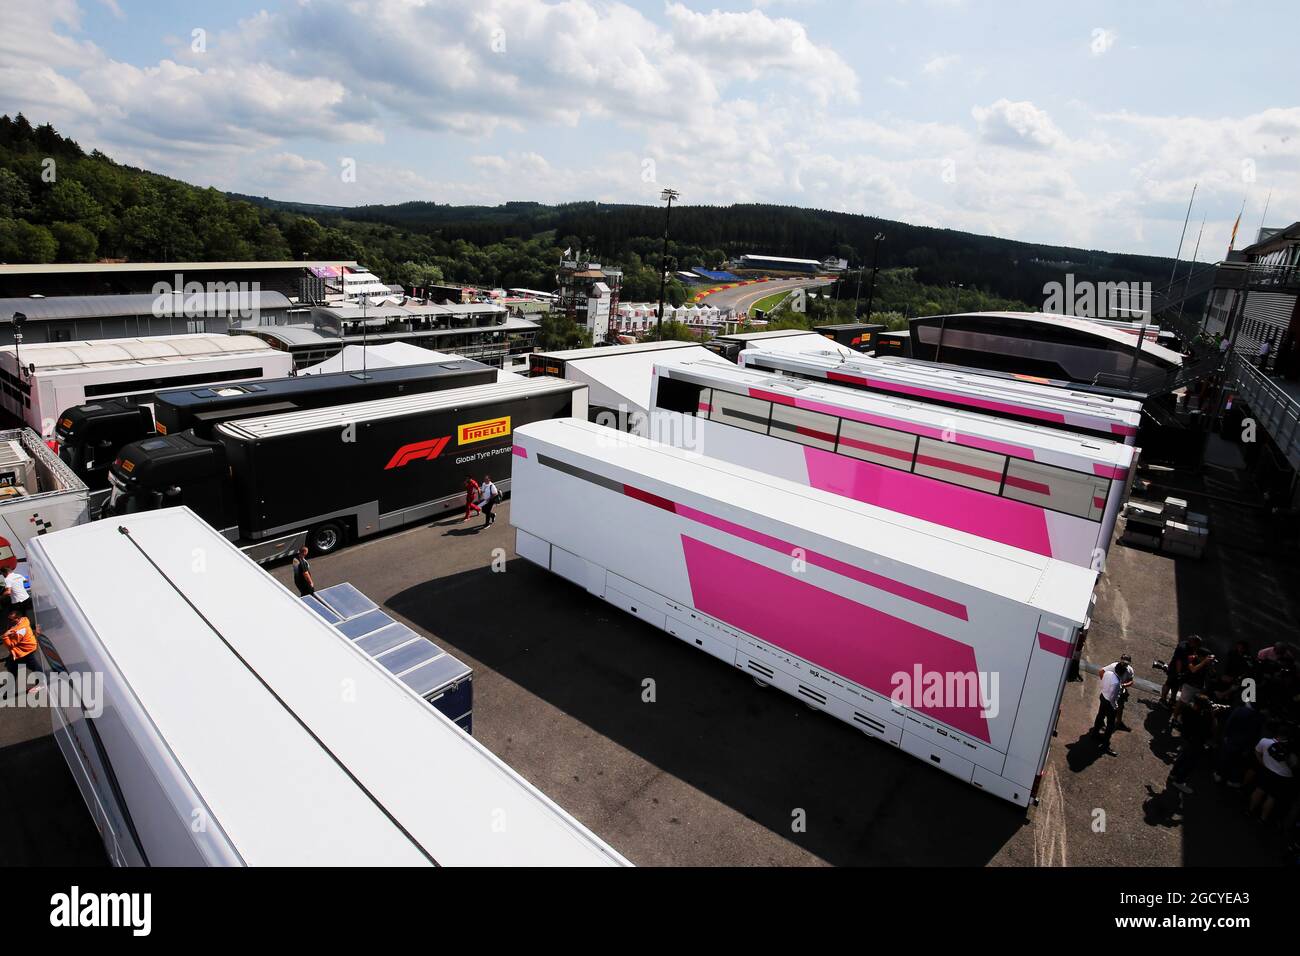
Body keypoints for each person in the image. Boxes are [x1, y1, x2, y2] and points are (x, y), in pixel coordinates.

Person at [1168, 693, 1212, 794]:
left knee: (1183, 756)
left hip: (1187, 737)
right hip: (1196, 741)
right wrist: (1211, 714)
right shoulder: (1203, 717)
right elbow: (1209, 729)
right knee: (1190, 762)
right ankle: (1179, 781)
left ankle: (1173, 773)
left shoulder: (1187, 710)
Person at [1248, 733, 1295, 823]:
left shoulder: (1265, 741)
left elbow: (1257, 752)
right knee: (1272, 797)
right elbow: (1294, 764)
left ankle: (1250, 810)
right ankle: (1263, 818)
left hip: (1267, 771)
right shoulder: (1291, 748)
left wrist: (1262, 763)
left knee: (1259, 791)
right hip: (1283, 776)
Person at [1091, 659, 1132, 754]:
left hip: (1103, 696)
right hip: (1109, 702)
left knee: (1100, 715)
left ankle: (1095, 733)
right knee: (1110, 724)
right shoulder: (1117, 683)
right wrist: (1115, 707)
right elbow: (1113, 698)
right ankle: (1105, 745)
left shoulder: (1108, 673)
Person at [1160, 635, 1199, 709]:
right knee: (1168, 683)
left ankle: (1172, 699)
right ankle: (1162, 699)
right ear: (1192, 642)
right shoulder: (1183, 648)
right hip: (1175, 669)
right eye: (1196, 644)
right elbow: (1179, 661)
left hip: (1180, 670)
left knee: (1176, 686)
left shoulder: (1188, 645)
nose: (1196, 646)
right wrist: (1178, 673)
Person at [2, 608, 37, 681]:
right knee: (13, 668)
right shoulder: (23, 620)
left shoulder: (20, 631)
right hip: (23, 649)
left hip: (25, 651)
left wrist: (5, 636)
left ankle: (42, 681)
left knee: (33, 666)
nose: (9, 621)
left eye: (11, 620)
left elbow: (11, 645)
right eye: (9, 619)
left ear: (18, 619)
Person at [1101, 655, 1135, 730]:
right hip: (1110, 691)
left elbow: (1131, 681)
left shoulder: (1130, 670)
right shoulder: (1113, 666)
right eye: (1123, 662)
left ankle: (1118, 723)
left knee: (1120, 708)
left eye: (1126, 663)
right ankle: (1101, 723)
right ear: (1120, 660)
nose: (1124, 664)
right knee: (1106, 707)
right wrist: (1105, 683)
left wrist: (1123, 685)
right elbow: (1101, 671)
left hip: (1120, 692)